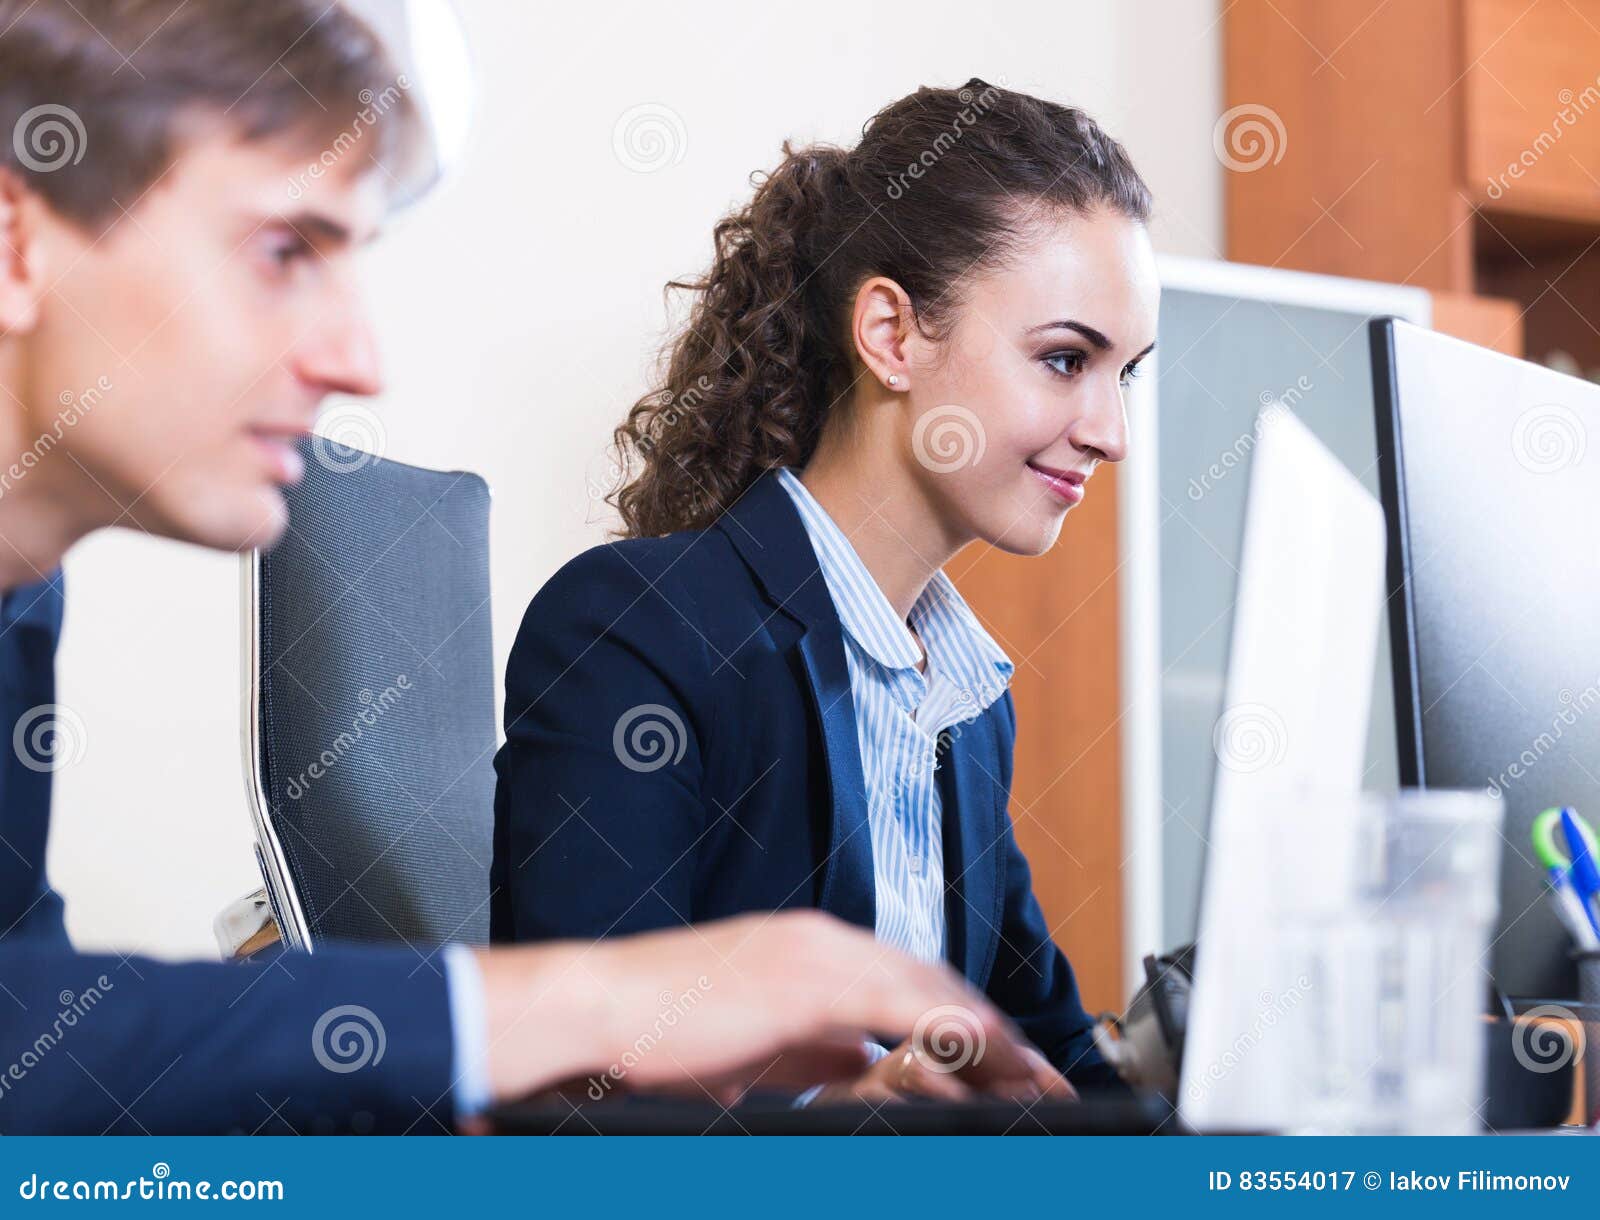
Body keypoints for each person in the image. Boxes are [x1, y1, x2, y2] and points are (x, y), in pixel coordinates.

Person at [0, 2, 1041, 1135]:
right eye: (283, 250)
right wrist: (571, 1006)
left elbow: (40, 1067)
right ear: (18, 241)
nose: (355, 358)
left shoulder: (21, 595)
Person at [491, 80, 1160, 1101]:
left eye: (1127, 375)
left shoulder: (965, 706)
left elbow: (1060, 1056)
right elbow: (576, 1101)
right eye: (1064, 359)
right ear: (891, 334)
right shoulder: (634, 633)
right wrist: (838, 1124)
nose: (1111, 430)